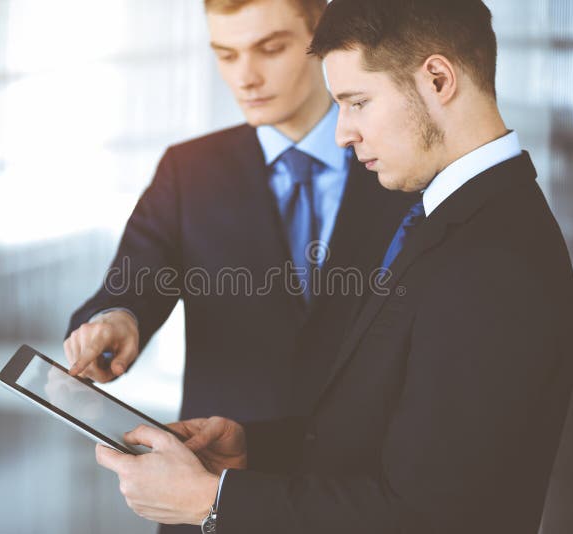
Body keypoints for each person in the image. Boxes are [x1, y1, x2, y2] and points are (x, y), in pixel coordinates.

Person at [92, 1, 573, 533]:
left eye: (357, 102)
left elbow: (432, 516)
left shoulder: (495, 260)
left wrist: (213, 503)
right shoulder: (454, 217)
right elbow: (391, 431)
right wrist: (252, 449)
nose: (344, 134)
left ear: (438, 79)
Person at [66, 0, 414, 532]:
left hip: (361, 495)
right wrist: (119, 320)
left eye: (270, 49)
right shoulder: (189, 171)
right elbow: (130, 286)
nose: (245, 77)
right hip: (211, 488)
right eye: (225, 55)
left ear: (322, 36)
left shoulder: (402, 163)